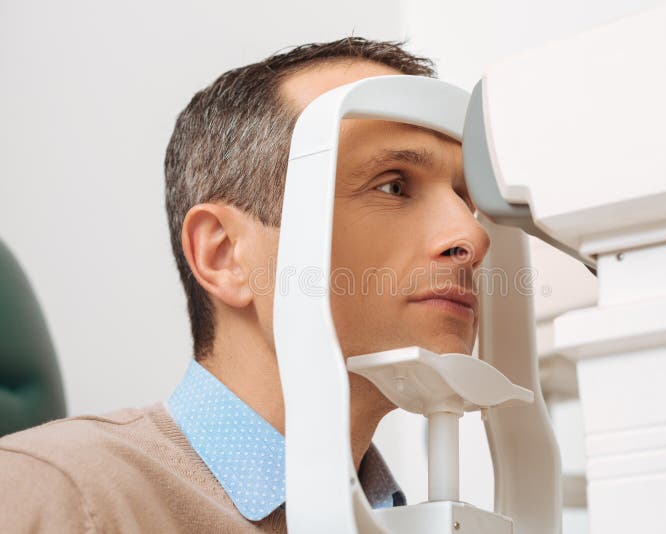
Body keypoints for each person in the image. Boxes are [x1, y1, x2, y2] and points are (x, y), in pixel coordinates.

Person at [0, 36, 490, 533]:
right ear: (225, 255)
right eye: (393, 185)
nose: (470, 235)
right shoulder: (54, 496)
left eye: (464, 197)